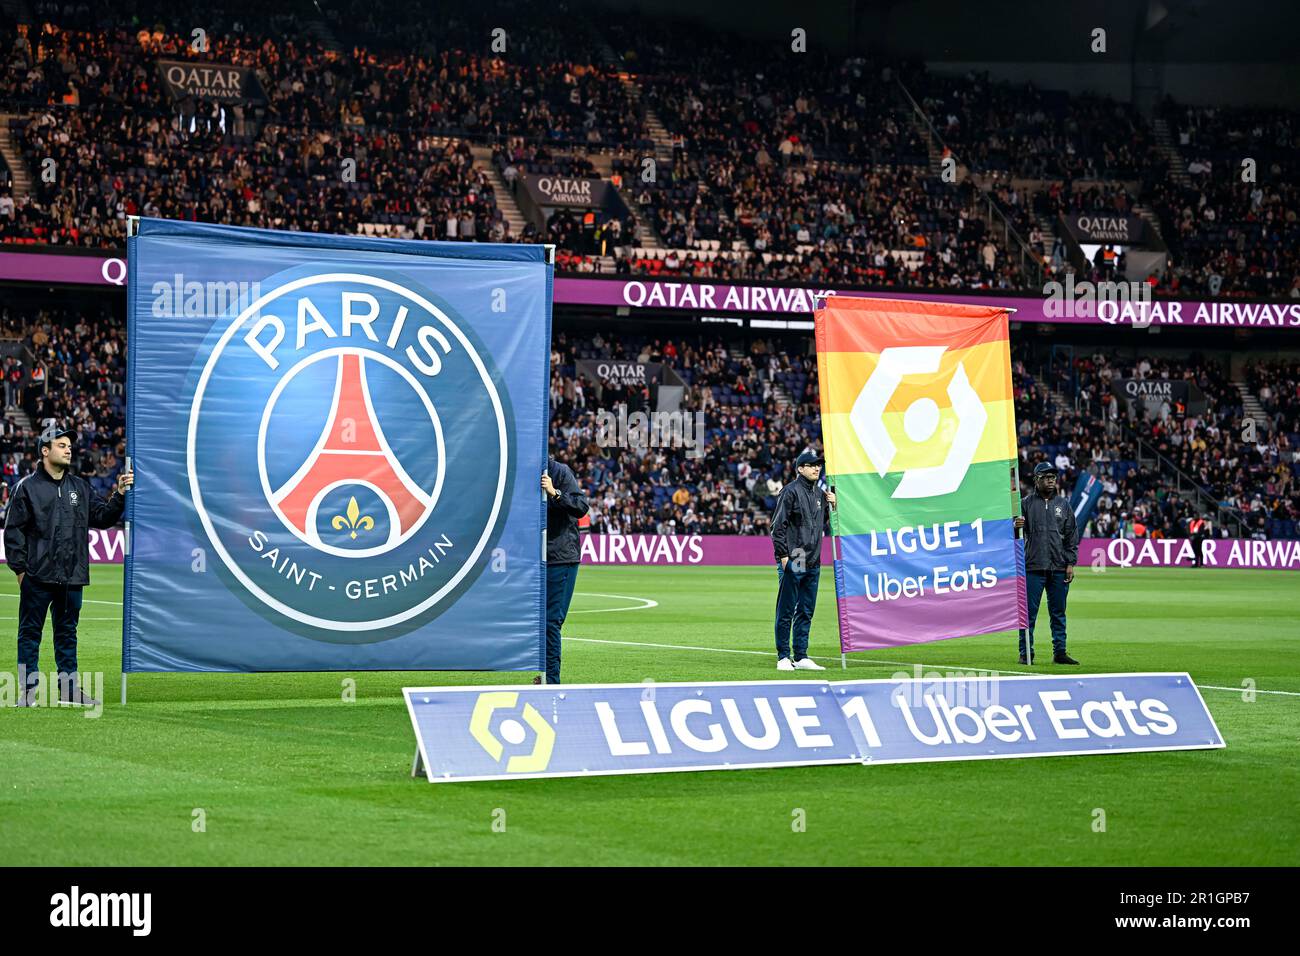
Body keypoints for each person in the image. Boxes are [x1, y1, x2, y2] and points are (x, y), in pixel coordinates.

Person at [5, 424, 133, 706]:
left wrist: (120, 494)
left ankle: (69, 691)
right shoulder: (25, 487)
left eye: (69, 446)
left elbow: (102, 517)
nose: (68, 450)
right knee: (30, 634)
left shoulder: (80, 487)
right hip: (37, 576)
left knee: (67, 635)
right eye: (61, 446)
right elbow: (13, 532)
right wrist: (21, 571)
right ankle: (28, 692)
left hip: (72, 576)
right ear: (45, 451)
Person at [770, 450, 836, 671]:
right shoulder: (789, 492)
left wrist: (834, 505)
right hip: (796, 556)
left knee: (806, 610)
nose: (817, 468)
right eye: (811, 465)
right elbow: (777, 527)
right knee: (787, 609)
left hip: (814, 558)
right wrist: (783, 556)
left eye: (818, 465)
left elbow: (826, 523)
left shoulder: (821, 494)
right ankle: (783, 656)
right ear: (800, 468)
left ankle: (800, 656)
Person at [1014, 462, 1079, 665]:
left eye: (1053, 477)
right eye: (1046, 477)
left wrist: (1070, 563)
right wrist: (1015, 525)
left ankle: (1060, 652)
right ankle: (1026, 653)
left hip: (1059, 567)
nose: (1051, 480)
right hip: (1033, 566)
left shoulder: (1063, 505)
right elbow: (1012, 536)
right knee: (1028, 614)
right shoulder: (1024, 504)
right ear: (1036, 479)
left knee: (1058, 613)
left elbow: (1071, 535)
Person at [538, 453, 588, 684]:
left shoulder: (560, 471)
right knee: (538, 621)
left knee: (550, 622)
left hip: (560, 556)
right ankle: (542, 675)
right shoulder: (523, 474)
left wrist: (555, 492)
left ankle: (551, 681)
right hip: (537, 558)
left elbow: (581, 506)